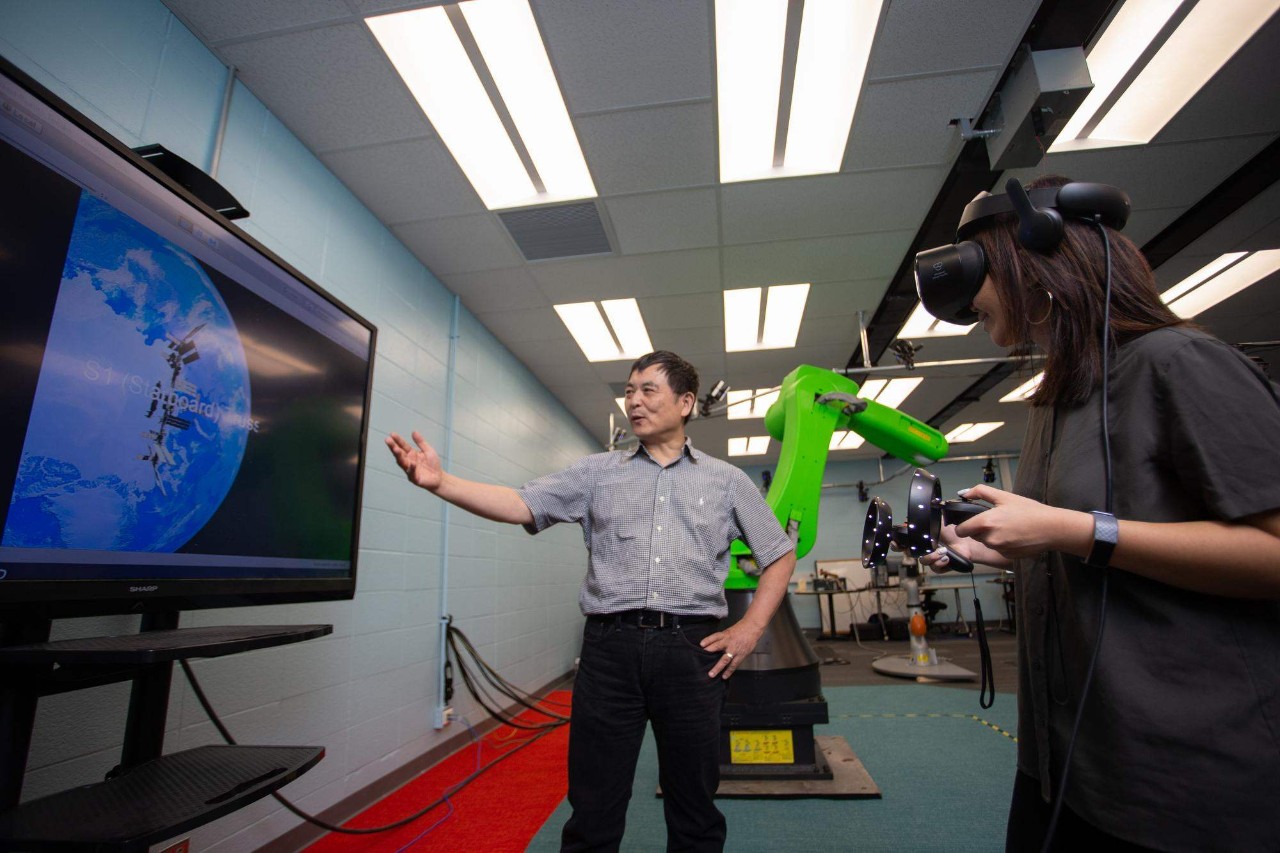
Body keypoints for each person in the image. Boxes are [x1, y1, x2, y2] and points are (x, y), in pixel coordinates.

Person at [920, 175, 1280, 852]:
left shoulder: (1181, 363)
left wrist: (1071, 529)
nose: (968, 300)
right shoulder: (1055, 400)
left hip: (1183, 784)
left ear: (1034, 259)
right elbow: (1096, 546)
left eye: (979, 268)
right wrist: (1013, 548)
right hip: (1064, 766)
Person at [386, 350, 796, 853]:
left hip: (692, 653)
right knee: (593, 806)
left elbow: (779, 553)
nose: (634, 401)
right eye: (629, 391)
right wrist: (441, 482)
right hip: (609, 652)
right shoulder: (596, 473)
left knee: (694, 803)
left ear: (686, 402)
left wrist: (751, 627)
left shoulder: (727, 481)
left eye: (648, 390)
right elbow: (521, 503)